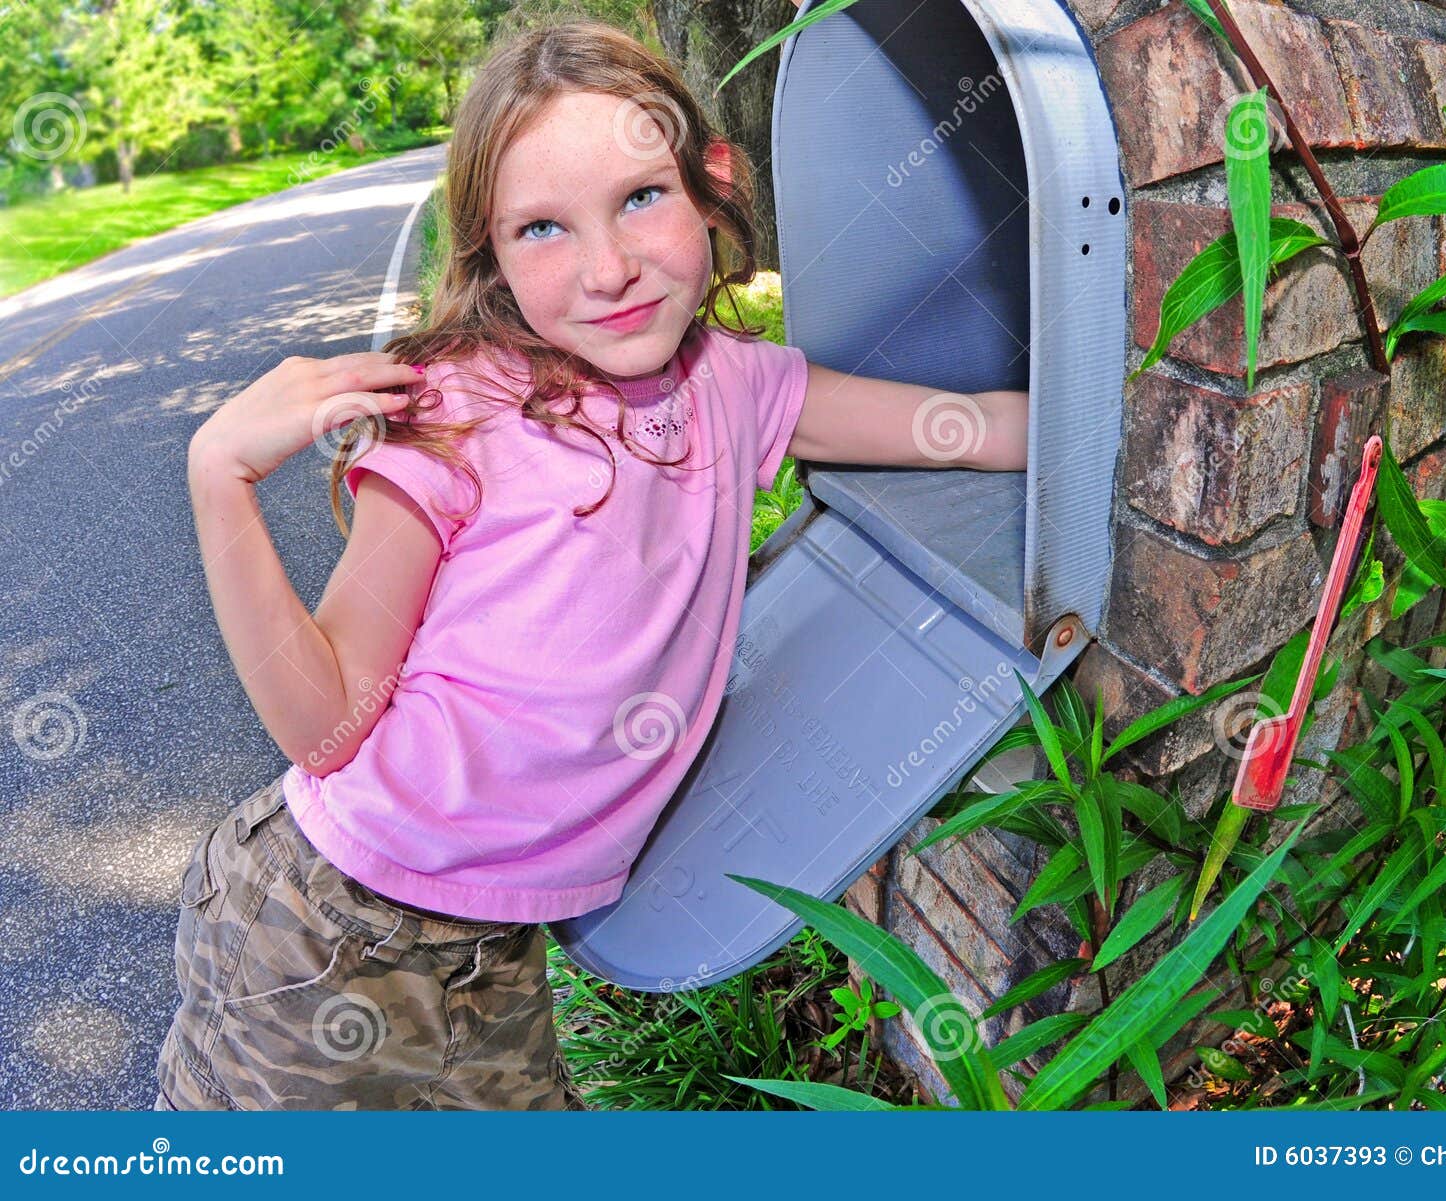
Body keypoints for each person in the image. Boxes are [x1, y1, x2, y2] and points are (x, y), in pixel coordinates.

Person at [157, 15, 1028, 1112]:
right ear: (490, 254)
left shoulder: (739, 386)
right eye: (542, 228)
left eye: (640, 198)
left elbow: (972, 426)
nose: (607, 269)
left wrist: (1130, 399)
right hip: (323, 937)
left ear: (711, 186)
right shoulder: (457, 414)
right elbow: (325, 726)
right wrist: (216, 478)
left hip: (502, 952)